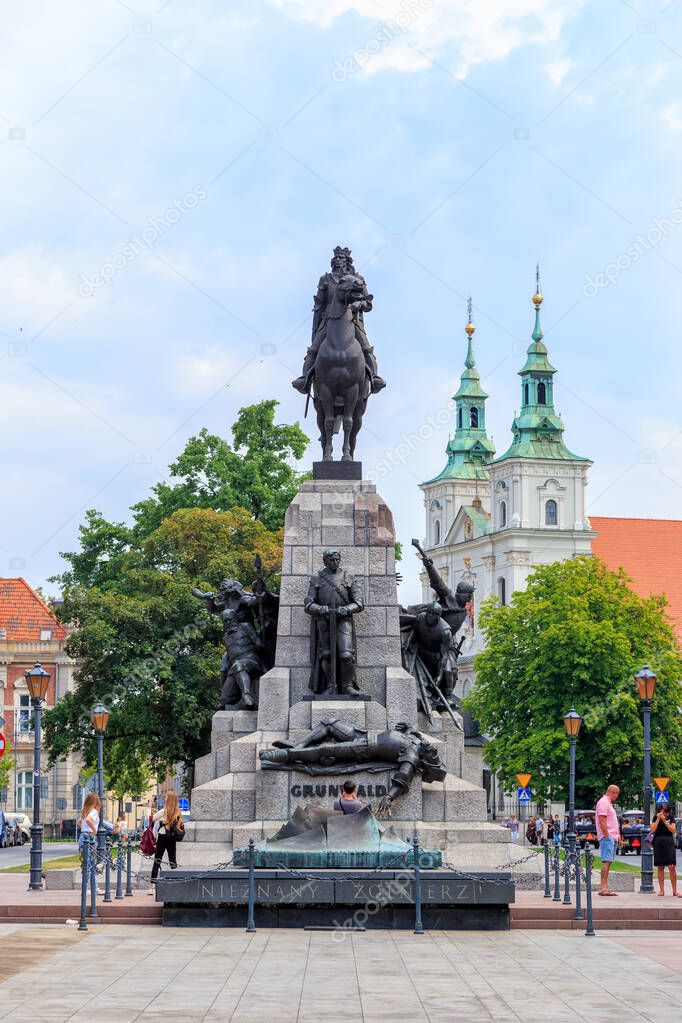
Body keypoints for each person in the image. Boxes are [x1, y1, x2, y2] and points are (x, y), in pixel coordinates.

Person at [149, 791, 185, 892]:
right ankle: (176, 882)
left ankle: (153, 885)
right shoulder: (178, 811)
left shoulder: (164, 811)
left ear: (169, 799)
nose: (164, 799)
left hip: (162, 837)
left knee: (157, 860)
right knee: (173, 860)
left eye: (166, 797)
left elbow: (153, 818)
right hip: (172, 838)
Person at [650, 803, 681, 897]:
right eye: (662, 812)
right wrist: (659, 819)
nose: (664, 814)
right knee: (660, 867)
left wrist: (665, 821)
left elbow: (673, 830)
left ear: (668, 812)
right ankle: (661, 890)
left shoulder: (671, 817)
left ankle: (675, 890)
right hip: (658, 842)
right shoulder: (656, 817)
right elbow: (652, 830)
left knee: (671, 866)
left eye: (665, 813)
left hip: (669, 841)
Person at [595, 783, 620, 896]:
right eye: (616, 794)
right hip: (608, 837)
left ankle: (605, 887)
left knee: (608, 862)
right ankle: (603, 888)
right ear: (612, 792)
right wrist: (607, 835)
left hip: (611, 837)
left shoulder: (607, 803)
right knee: (606, 861)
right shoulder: (604, 802)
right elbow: (602, 820)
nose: (617, 796)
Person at [77, 793, 101, 857]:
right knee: (90, 859)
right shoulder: (94, 811)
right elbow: (88, 820)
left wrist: (84, 828)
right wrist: (94, 830)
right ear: (96, 802)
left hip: (82, 836)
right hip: (90, 836)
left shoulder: (85, 811)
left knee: (85, 859)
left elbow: (78, 822)